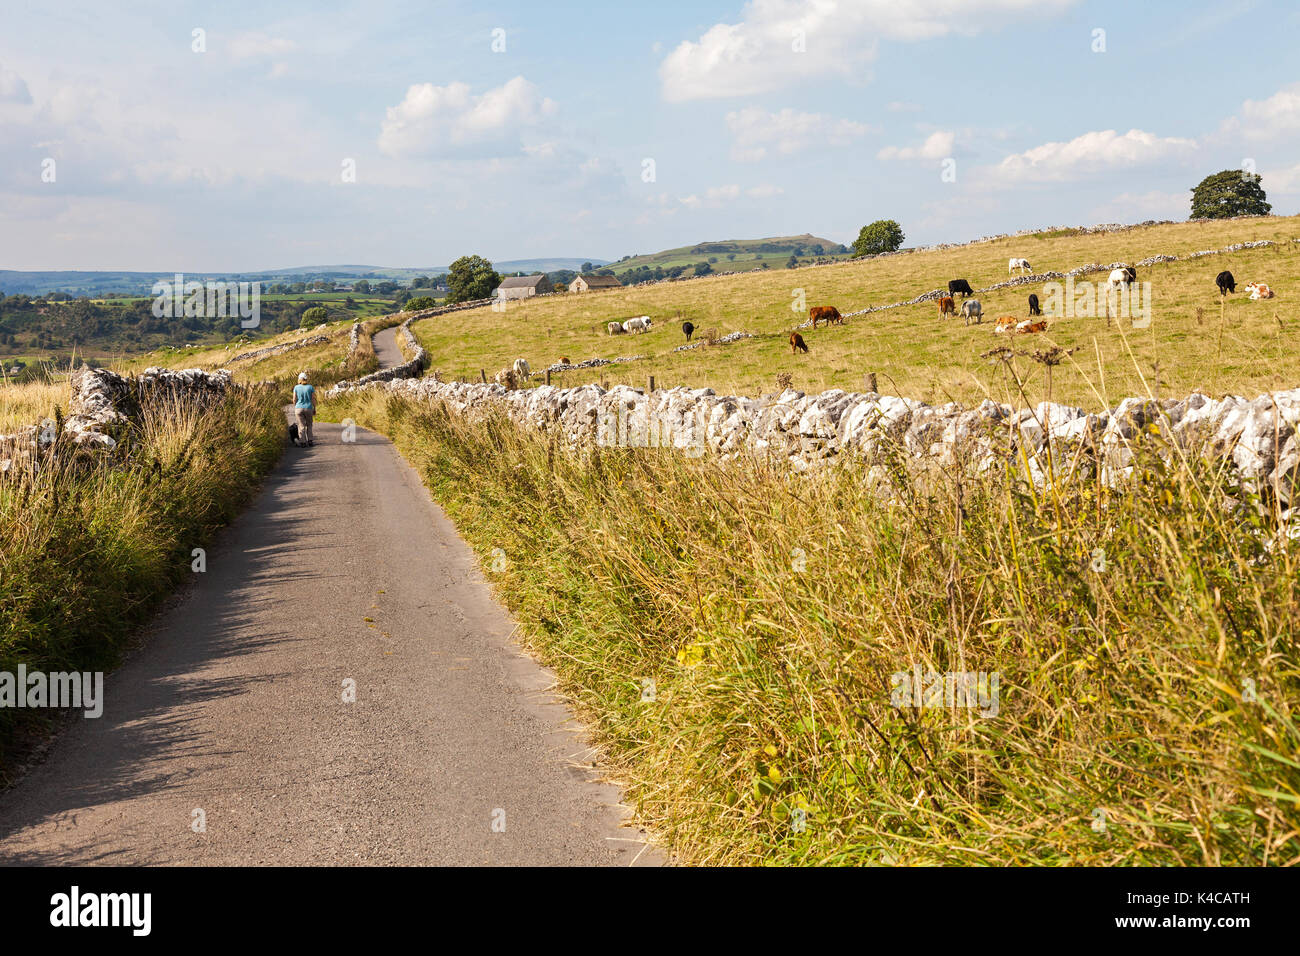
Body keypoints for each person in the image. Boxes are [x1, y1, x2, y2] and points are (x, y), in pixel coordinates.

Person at [293, 371, 316, 446]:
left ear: (299, 379)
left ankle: (303, 442)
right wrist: (314, 408)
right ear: (306, 379)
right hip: (308, 408)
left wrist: (295, 406)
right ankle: (310, 441)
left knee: (301, 425)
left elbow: (294, 399)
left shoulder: (296, 387)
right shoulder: (310, 387)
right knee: (309, 425)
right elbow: (313, 399)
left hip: (298, 408)